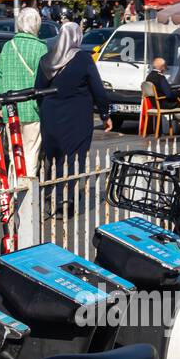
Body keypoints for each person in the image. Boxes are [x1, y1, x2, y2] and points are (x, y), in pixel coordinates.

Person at [36, 21, 112, 216]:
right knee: (73, 159)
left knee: (54, 158)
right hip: (77, 118)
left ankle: (52, 194)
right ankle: (65, 200)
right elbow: (98, 90)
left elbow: (38, 90)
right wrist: (105, 114)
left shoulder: (46, 60)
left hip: (51, 116)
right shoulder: (83, 60)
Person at [0, 7, 49, 241]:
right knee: (31, 153)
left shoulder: (7, 47)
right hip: (33, 110)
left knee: (13, 154)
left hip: (10, 111)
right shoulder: (41, 48)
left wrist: (1, 107)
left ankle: (13, 192)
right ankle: (27, 196)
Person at [145, 56, 180, 133]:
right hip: (164, 104)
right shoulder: (160, 77)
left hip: (155, 103)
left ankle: (176, 127)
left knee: (179, 99)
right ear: (162, 67)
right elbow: (169, 94)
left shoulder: (149, 77)